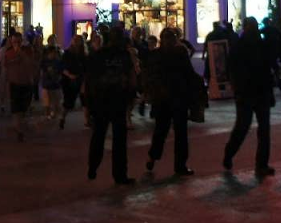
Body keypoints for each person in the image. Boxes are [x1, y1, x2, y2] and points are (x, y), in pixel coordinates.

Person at [223, 18, 276, 178]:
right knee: (253, 128)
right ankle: (258, 164)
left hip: (252, 92)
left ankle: (234, 156)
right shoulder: (253, 45)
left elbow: (231, 68)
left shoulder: (243, 45)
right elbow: (267, 69)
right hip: (253, 92)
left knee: (249, 127)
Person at [84, 24, 136, 185]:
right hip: (113, 100)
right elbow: (130, 78)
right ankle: (118, 174)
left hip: (105, 101)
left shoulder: (99, 55)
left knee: (100, 136)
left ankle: (95, 167)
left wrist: (89, 104)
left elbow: (90, 81)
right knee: (116, 139)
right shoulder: (122, 55)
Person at [144, 28, 199, 176]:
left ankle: (153, 156)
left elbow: (149, 75)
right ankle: (180, 165)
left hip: (162, 98)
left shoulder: (155, 55)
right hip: (178, 97)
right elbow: (189, 74)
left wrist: (149, 94)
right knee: (180, 132)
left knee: (161, 130)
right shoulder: (180, 53)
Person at [2, 32, 37, 141]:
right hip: (14, 84)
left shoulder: (27, 50)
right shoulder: (8, 53)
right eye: (14, 41)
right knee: (16, 109)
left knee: (24, 109)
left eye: (18, 41)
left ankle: (20, 126)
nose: (16, 43)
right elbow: (5, 68)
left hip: (26, 84)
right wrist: (4, 85)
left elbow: (31, 63)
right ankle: (19, 130)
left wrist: (20, 53)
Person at [59, 35, 87, 129]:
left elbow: (85, 67)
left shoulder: (83, 54)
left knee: (85, 100)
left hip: (80, 78)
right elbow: (62, 67)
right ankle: (62, 118)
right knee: (69, 101)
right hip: (69, 80)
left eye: (79, 41)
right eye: (75, 40)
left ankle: (87, 120)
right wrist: (70, 75)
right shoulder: (67, 53)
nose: (77, 43)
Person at [39, 41, 64, 126]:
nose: (54, 54)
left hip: (56, 84)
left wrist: (59, 78)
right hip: (46, 84)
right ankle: (47, 116)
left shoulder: (58, 61)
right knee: (47, 102)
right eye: (52, 53)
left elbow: (61, 72)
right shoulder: (44, 61)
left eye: (55, 53)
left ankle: (53, 115)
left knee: (56, 102)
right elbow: (42, 71)